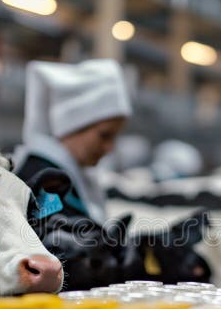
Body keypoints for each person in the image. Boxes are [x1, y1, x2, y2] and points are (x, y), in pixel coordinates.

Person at [12, 59, 132, 224]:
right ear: (73, 126)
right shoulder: (43, 181)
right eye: (104, 136)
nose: (110, 148)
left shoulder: (70, 177)